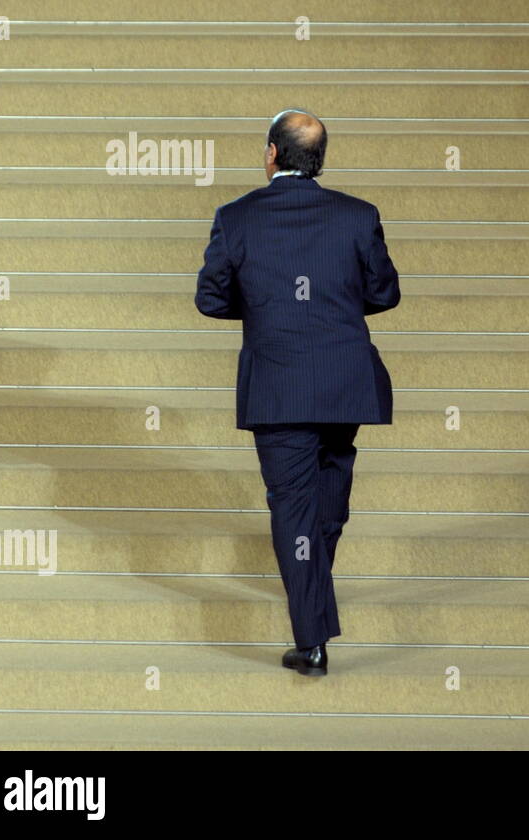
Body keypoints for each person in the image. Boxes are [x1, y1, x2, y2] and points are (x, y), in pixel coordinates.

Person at [195, 109, 400, 676]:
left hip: (281, 384)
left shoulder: (236, 218)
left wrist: (266, 307)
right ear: (319, 160)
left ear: (271, 154)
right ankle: (314, 605)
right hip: (344, 381)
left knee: (297, 507)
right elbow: (384, 292)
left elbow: (211, 299)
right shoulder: (358, 216)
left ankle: (311, 640)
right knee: (328, 496)